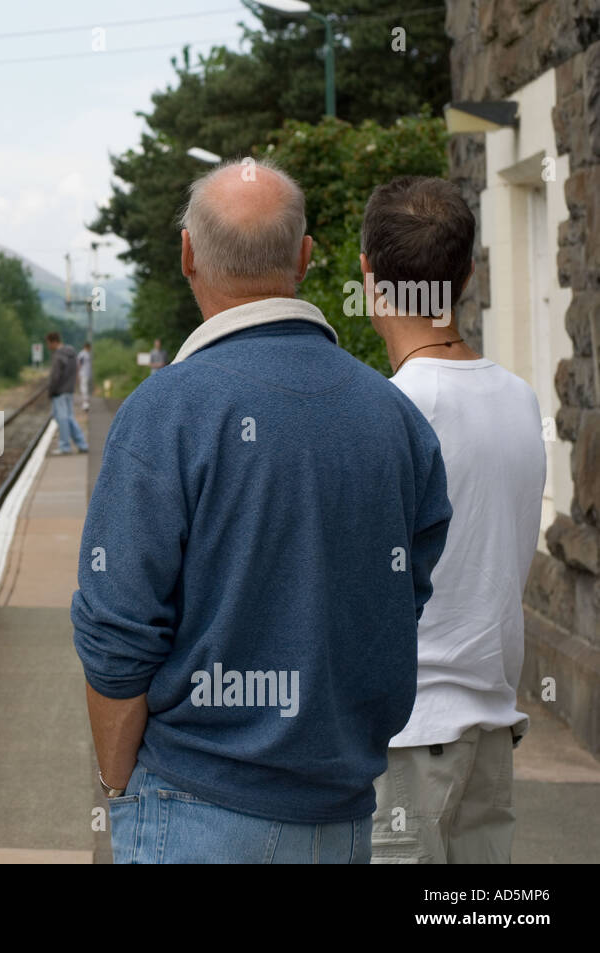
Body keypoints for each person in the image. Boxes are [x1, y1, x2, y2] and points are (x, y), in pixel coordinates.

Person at [71, 157, 452, 864]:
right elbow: (403, 594)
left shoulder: (163, 412)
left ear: (187, 254)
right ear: (305, 258)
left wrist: (117, 785)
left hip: (191, 805)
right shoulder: (394, 417)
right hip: (340, 818)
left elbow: (117, 628)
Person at [360, 176, 546, 864]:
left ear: (368, 274)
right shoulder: (521, 399)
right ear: (468, 271)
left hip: (408, 738)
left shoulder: (392, 412)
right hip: (491, 730)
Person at [46, 332, 88, 455]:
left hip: (59, 391)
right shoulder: (71, 353)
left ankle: (65, 446)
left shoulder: (58, 355)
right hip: (69, 390)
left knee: (62, 418)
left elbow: (55, 376)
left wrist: (51, 391)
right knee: (68, 417)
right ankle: (82, 444)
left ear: (54, 342)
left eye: (48, 343)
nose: (48, 346)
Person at [77, 342, 92, 411]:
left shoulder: (85, 354)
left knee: (84, 388)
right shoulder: (83, 354)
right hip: (83, 373)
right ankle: (85, 404)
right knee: (84, 388)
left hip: (84, 374)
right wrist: (78, 373)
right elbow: (79, 364)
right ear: (87, 347)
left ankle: (85, 404)